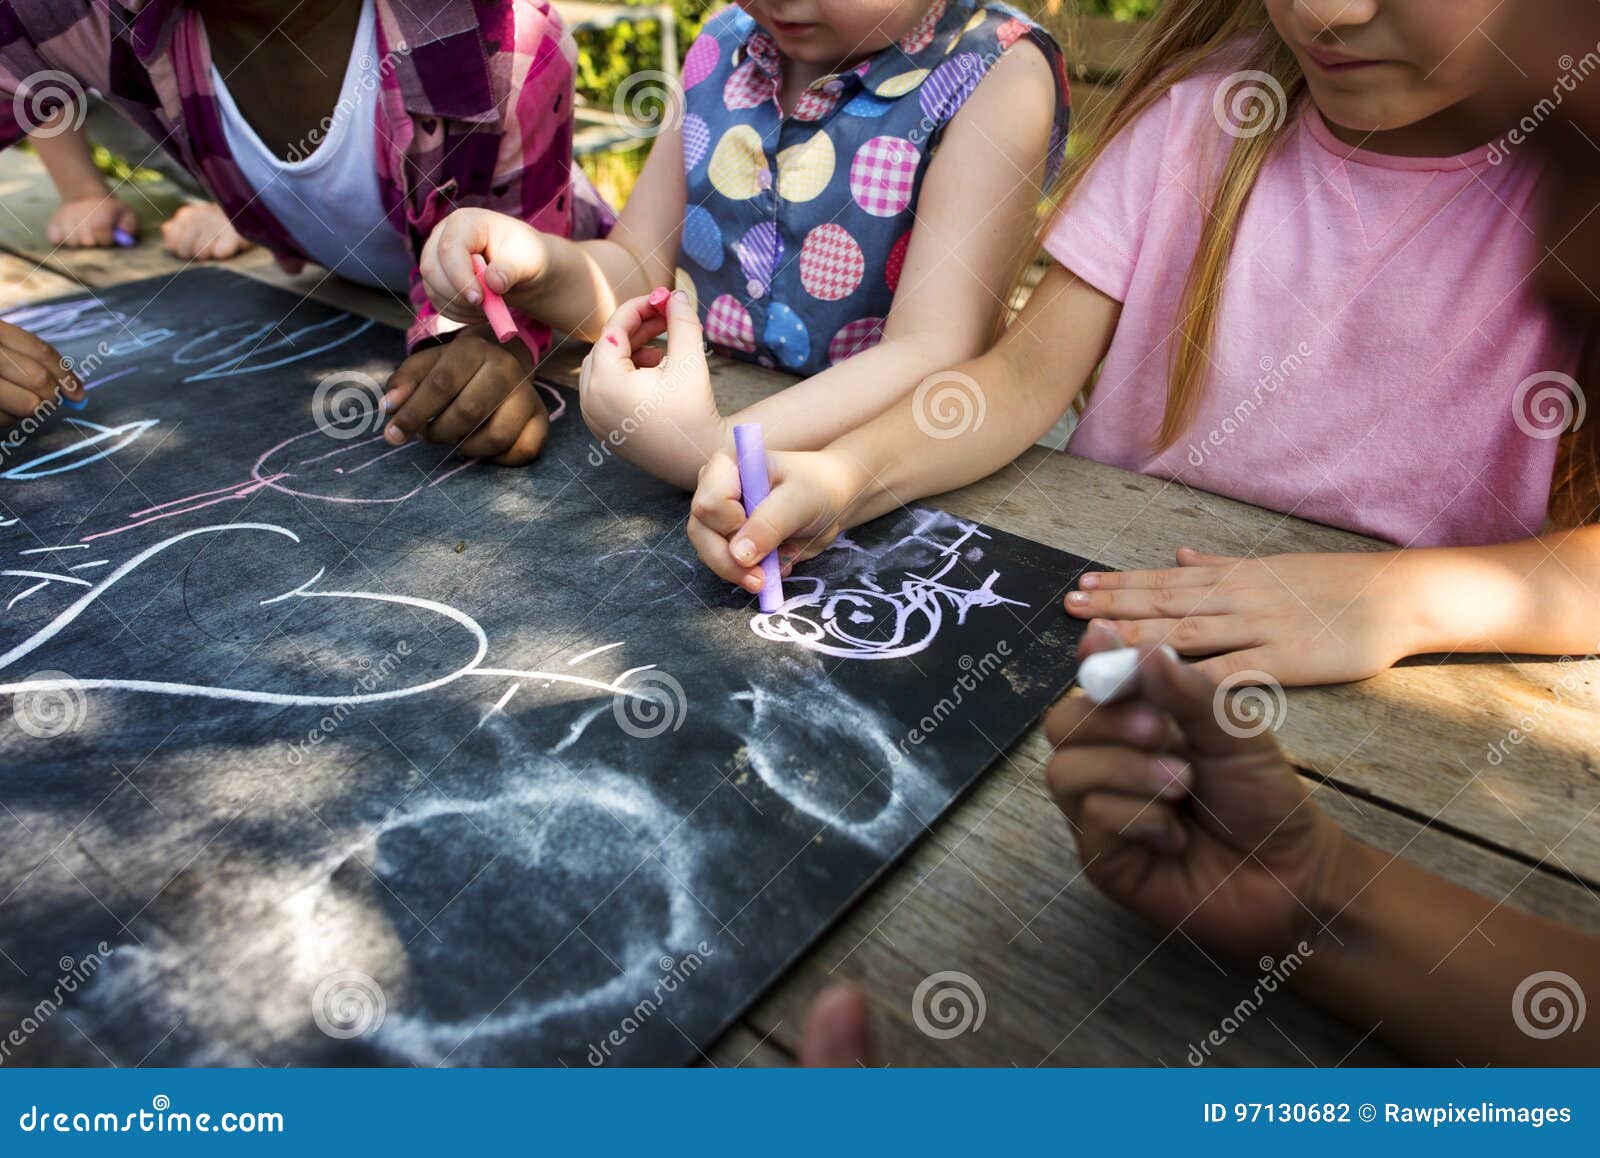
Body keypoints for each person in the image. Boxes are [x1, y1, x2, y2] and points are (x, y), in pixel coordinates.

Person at [685, 0, 1598, 688]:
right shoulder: (1200, 122)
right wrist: (847, 476)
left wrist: (1399, 600)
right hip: (1088, 654)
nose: (1327, 11)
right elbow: (1020, 379)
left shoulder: (1577, 206)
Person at [415, 0, 1071, 488]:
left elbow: (933, 350)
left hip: (885, 480)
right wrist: (536, 265)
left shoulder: (996, 75)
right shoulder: (724, 44)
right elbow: (638, 266)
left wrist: (716, 445)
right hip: (701, 441)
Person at [0, 0, 612, 462]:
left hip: (576, 276)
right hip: (342, 279)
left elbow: (503, 295)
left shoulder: (502, 44)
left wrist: (486, 347)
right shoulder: (90, 13)